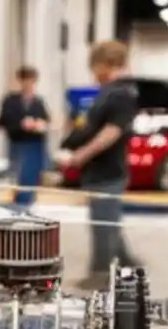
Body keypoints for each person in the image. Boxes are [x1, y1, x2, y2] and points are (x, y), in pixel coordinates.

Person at [59, 40, 138, 288]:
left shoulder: (121, 93)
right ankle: (127, 263)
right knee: (109, 218)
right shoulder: (113, 91)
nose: (94, 75)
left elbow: (111, 132)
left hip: (107, 169)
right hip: (101, 170)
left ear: (106, 64)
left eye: (95, 68)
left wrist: (81, 154)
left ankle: (100, 275)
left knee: (102, 225)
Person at [0, 66, 50, 210]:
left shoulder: (38, 102)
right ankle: (19, 202)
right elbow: (3, 121)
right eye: (26, 80)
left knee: (31, 174)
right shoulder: (10, 100)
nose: (28, 84)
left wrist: (39, 125)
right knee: (18, 172)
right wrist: (21, 125)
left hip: (35, 142)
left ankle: (27, 202)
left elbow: (45, 120)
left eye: (31, 81)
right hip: (18, 141)